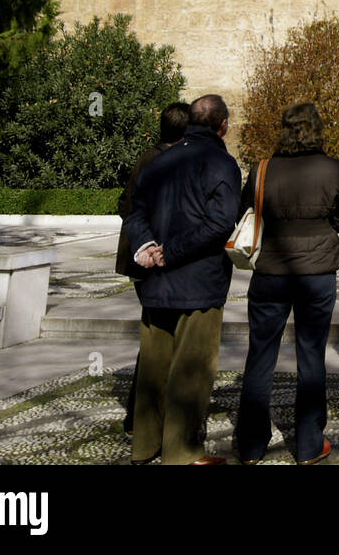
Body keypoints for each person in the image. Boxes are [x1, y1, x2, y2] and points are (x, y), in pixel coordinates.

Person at [234, 102, 339, 466]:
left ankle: (252, 446)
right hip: (317, 274)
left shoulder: (262, 169)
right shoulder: (334, 168)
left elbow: (245, 212)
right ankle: (308, 444)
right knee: (311, 355)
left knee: (260, 356)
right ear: (317, 129)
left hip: (270, 272)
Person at [122, 94, 241, 465]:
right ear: (222, 126)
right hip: (197, 285)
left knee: (153, 371)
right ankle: (182, 453)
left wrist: (146, 248)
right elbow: (220, 225)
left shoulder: (159, 159)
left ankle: (144, 446)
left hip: (155, 280)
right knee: (191, 371)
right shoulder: (222, 163)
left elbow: (133, 210)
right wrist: (167, 252)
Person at [115, 100, 191, 435]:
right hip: (159, 259)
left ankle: (141, 416)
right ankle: (152, 415)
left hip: (143, 258)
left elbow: (126, 204)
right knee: (163, 336)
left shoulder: (147, 157)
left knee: (156, 333)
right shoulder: (174, 161)